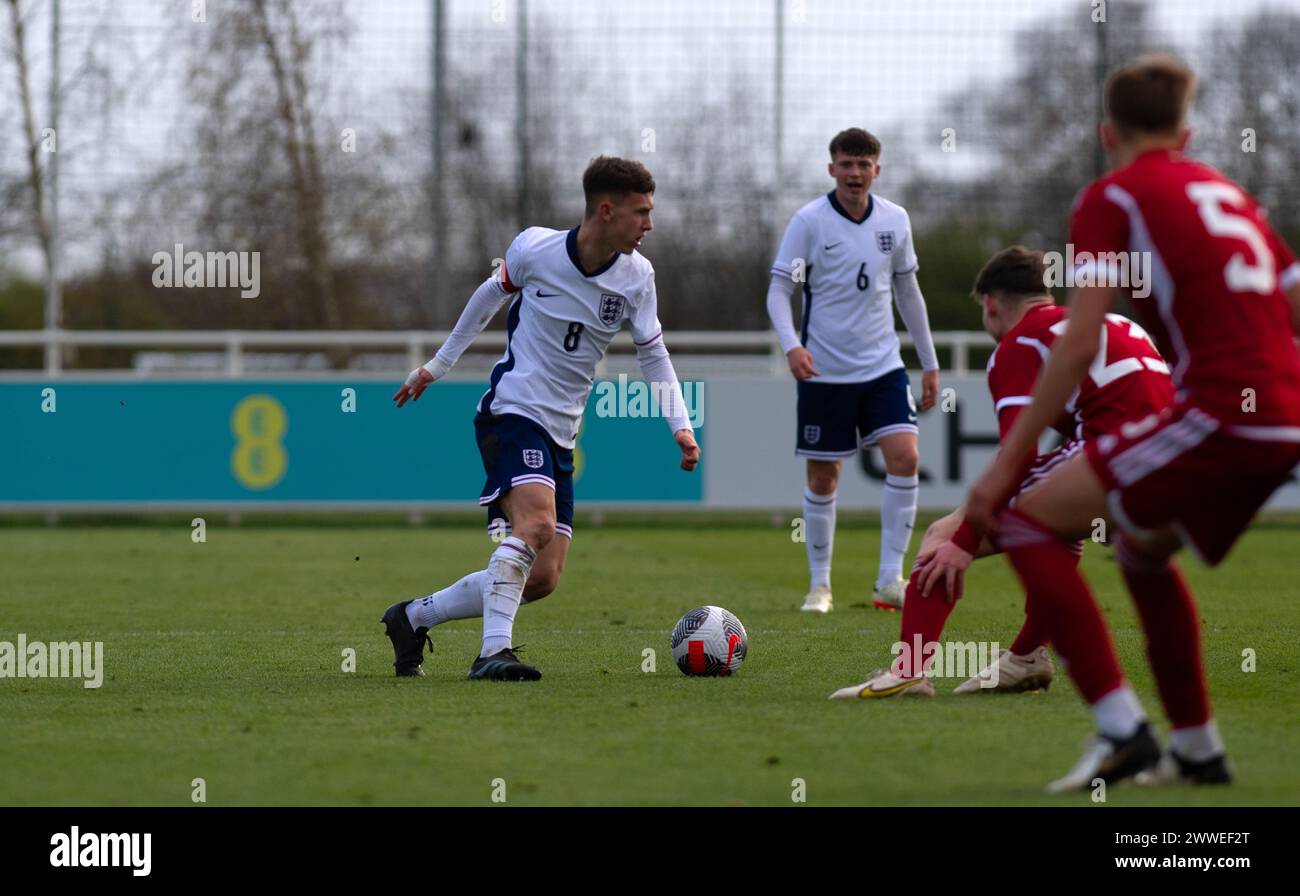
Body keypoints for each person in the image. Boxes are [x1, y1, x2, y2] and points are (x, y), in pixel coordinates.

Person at [964, 54, 1300, 790]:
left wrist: (999, 471)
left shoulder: (1111, 197)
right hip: (1282, 415)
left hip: (1222, 413)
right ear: (1189, 129)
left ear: (1106, 132)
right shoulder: (1230, 194)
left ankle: (1122, 731)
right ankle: (1197, 751)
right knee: (1143, 550)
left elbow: (1079, 340)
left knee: (1024, 519)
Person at [383, 156, 700, 681]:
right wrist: (437, 366)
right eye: (641, 212)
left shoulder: (638, 277)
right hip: (513, 410)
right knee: (535, 524)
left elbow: (653, 354)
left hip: (563, 432)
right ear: (606, 210)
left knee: (544, 577)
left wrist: (680, 426)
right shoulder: (535, 248)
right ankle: (491, 655)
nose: (649, 224)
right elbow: (489, 295)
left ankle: (413, 618)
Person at [829, 245, 1172, 699]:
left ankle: (909, 671)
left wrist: (963, 542)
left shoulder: (1021, 343)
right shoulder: (1110, 322)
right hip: (1178, 460)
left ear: (990, 303)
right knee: (1055, 526)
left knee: (941, 536)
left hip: (1118, 456)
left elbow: (1019, 454)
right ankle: (1029, 654)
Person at [767, 127, 940, 614]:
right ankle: (820, 586)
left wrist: (928, 363)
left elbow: (908, 292)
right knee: (824, 477)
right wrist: (792, 346)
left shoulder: (895, 220)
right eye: (846, 164)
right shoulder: (809, 221)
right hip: (824, 370)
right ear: (832, 169)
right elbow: (780, 290)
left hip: (883, 367)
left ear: (877, 170)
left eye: (864, 164)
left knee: (905, 456)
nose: (855, 173)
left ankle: (890, 579)